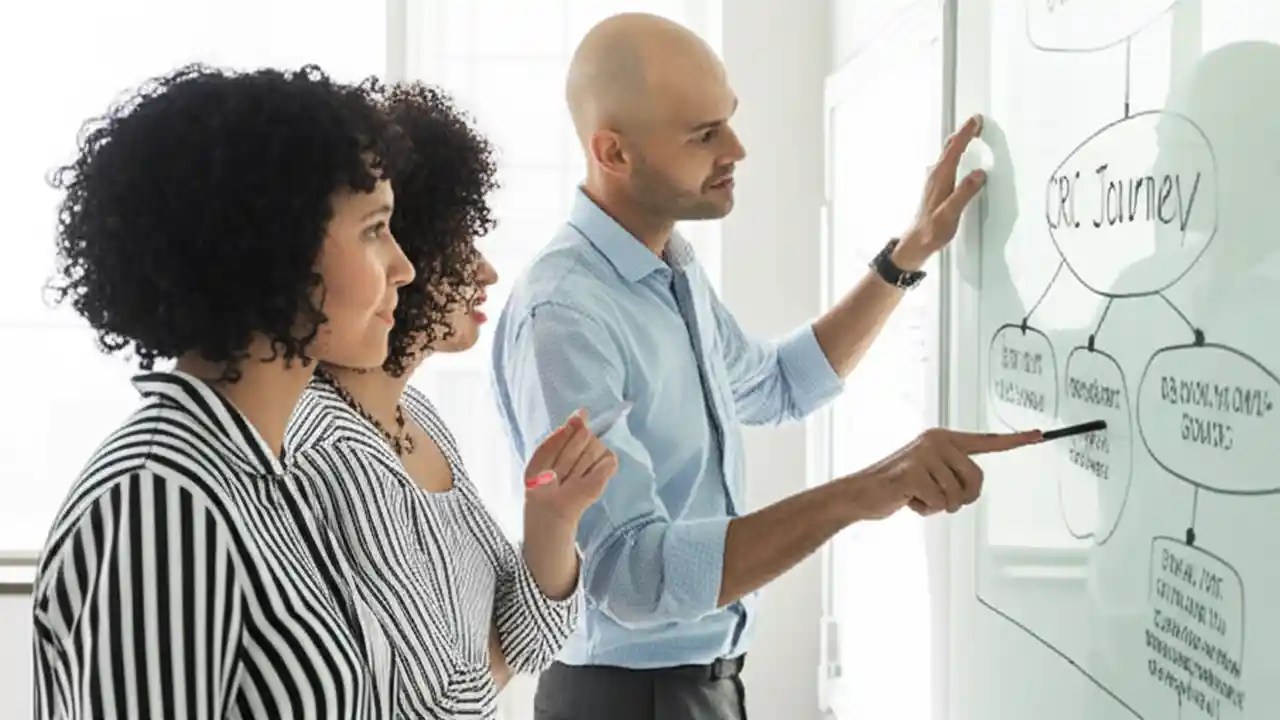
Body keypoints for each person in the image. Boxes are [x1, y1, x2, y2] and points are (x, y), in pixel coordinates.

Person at [489, 12, 1044, 719]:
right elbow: (631, 574)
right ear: (614, 153)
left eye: (729, 120)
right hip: (628, 701)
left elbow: (777, 386)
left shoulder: (672, 268)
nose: (737, 148)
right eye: (704, 134)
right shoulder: (565, 314)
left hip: (700, 687)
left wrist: (908, 255)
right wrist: (861, 493)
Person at [31, 64, 413, 720]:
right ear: (277, 246)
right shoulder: (163, 497)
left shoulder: (272, 477)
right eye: (374, 230)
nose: (403, 267)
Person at [284, 80, 617, 719]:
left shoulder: (417, 418)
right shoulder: (328, 445)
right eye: (461, 244)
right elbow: (440, 706)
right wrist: (491, 656)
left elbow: (533, 641)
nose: (486, 272)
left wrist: (552, 517)